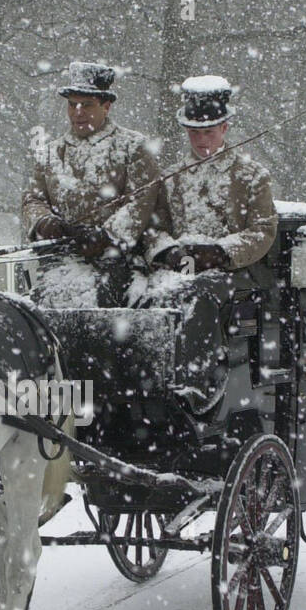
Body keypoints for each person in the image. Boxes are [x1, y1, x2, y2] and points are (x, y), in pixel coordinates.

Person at [140, 75, 278, 412]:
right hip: (183, 269)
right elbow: (154, 228)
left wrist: (220, 252)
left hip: (239, 276)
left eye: (209, 132)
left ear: (226, 127)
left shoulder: (250, 175)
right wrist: (167, 251)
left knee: (202, 294)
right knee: (149, 295)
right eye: (195, 133)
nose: (202, 141)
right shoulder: (171, 178)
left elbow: (262, 230)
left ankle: (198, 384)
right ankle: (147, 379)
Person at [21, 61, 161, 308]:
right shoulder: (50, 152)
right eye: (72, 104)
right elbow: (33, 199)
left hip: (117, 260)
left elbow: (141, 202)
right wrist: (45, 222)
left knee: (99, 305)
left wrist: (106, 236)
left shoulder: (134, 147)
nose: (78, 112)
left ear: (106, 106)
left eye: (87, 105)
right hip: (61, 257)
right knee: (43, 306)